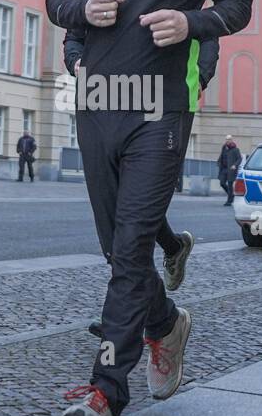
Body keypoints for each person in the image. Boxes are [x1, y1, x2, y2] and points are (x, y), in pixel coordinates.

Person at [46, 0, 253, 416]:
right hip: (97, 100)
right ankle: (165, 323)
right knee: (117, 248)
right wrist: (81, 21)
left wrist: (191, 22)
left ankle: (105, 393)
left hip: (162, 106)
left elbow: (238, 5)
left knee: (133, 244)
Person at [63, 28, 218, 290]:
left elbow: (208, 33)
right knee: (116, 213)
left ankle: (130, 314)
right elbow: (74, 33)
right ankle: (148, 301)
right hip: (104, 98)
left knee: (138, 208)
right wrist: (76, 59)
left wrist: (201, 77)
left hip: (166, 101)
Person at [217, 136, 242, 206]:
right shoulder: (224, 148)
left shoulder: (236, 149)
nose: (227, 141)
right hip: (224, 169)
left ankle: (229, 201)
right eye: (226, 139)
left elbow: (239, 159)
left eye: (229, 139)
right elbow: (221, 156)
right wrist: (218, 162)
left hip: (231, 170)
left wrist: (235, 165)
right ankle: (231, 195)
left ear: (232, 140)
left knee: (230, 185)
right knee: (222, 183)